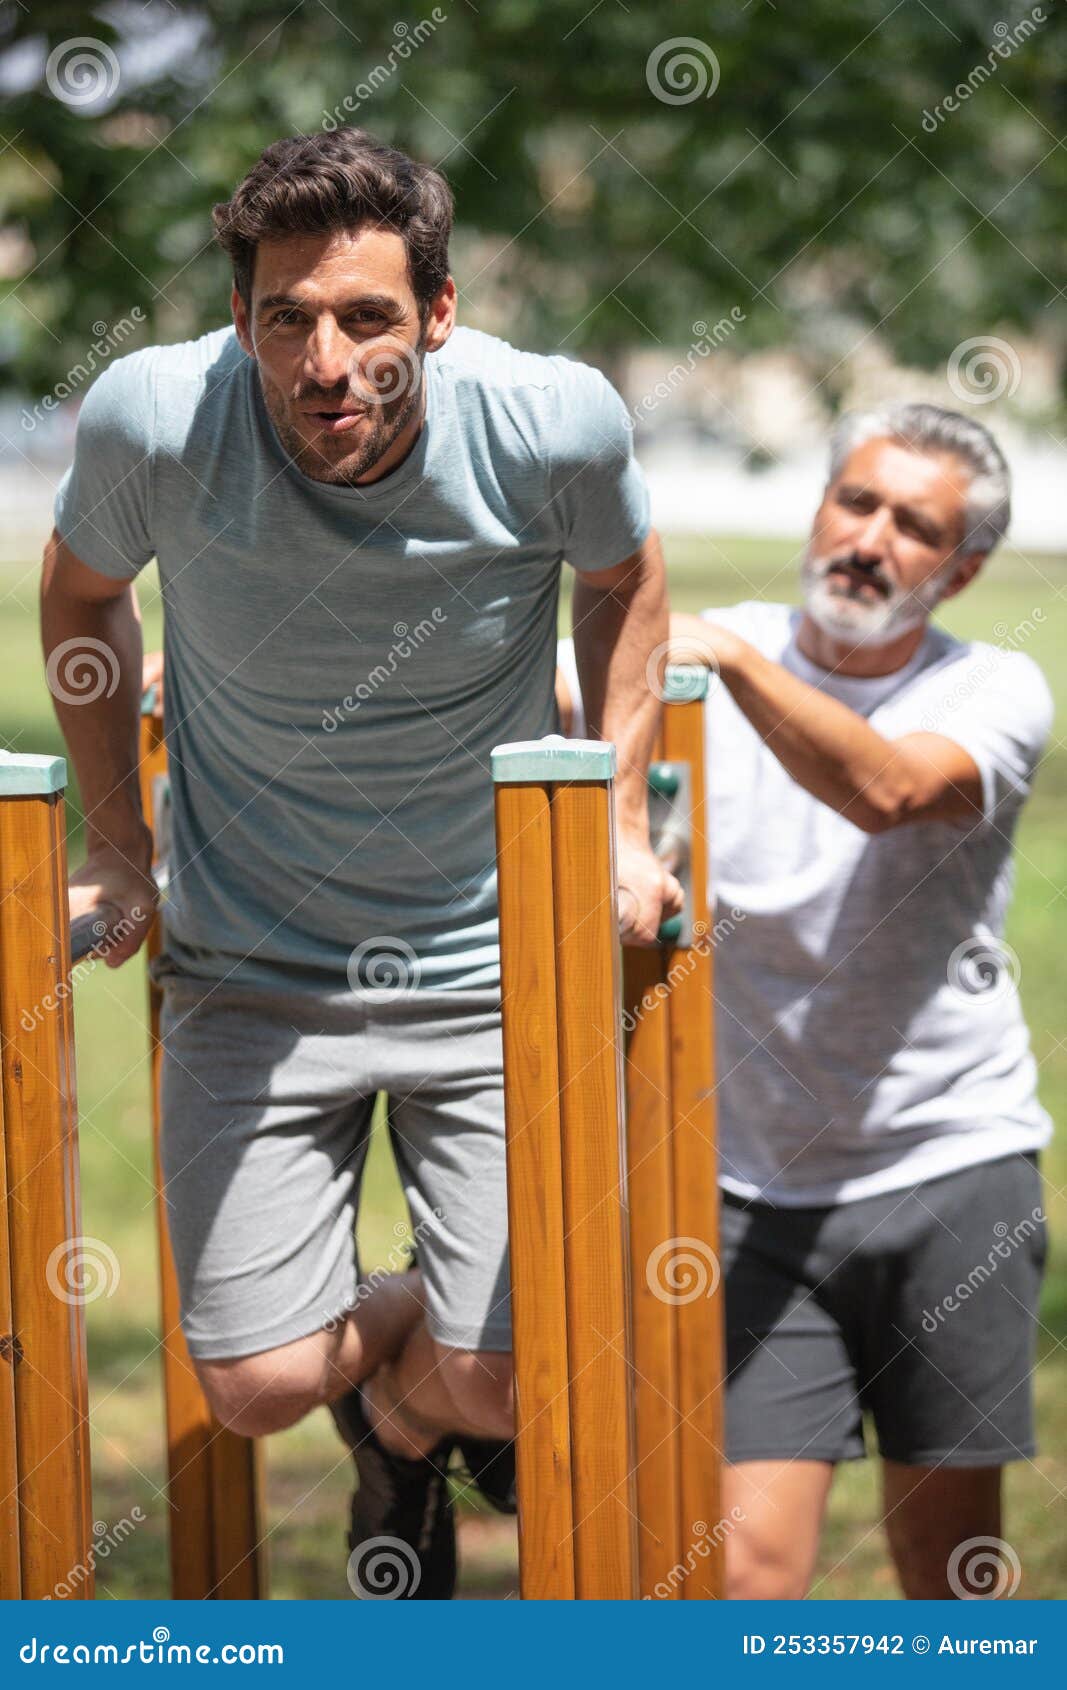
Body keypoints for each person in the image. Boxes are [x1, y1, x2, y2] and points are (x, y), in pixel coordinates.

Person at [42, 126, 680, 1599]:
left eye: (368, 318)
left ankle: (401, 1418)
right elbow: (80, 595)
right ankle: (380, 1372)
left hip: (487, 961)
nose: (324, 361)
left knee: (512, 1382)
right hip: (251, 967)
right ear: (242, 317)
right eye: (284, 319)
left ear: (437, 315)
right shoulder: (156, 420)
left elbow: (626, 578)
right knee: (256, 1384)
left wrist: (622, 827)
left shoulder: (548, 423)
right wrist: (117, 848)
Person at [558, 403, 1053, 1599]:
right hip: (749, 1187)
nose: (869, 539)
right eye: (854, 502)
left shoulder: (994, 687)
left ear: (962, 566)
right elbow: (524, 712)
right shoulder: (697, 654)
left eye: (913, 526)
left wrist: (734, 663)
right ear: (818, 505)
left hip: (946, 1164)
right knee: (742, 1577)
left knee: (948, 1571)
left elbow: (886, 790)